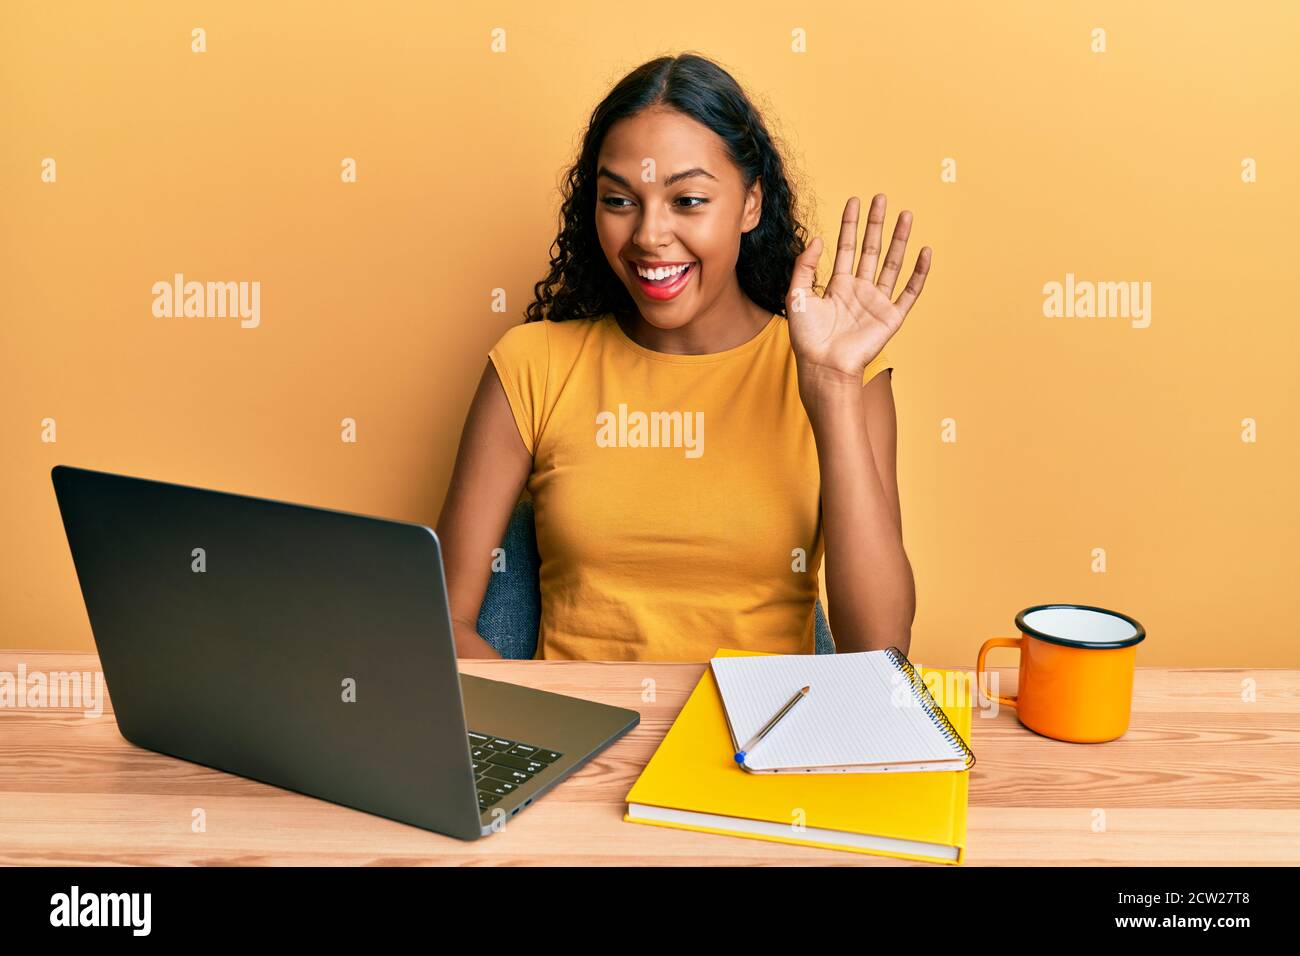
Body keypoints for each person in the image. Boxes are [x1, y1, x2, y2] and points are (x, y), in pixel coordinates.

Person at [436, 52, 931, 661]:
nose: (649, 235)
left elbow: (879, 651)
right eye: (619, 200)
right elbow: (443, 626)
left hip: (769, 743)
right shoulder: (531, 365)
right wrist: (548, 732)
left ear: (751, 204)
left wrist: (831, 390)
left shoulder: (838, 371)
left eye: (688, 200)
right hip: (592, 746)